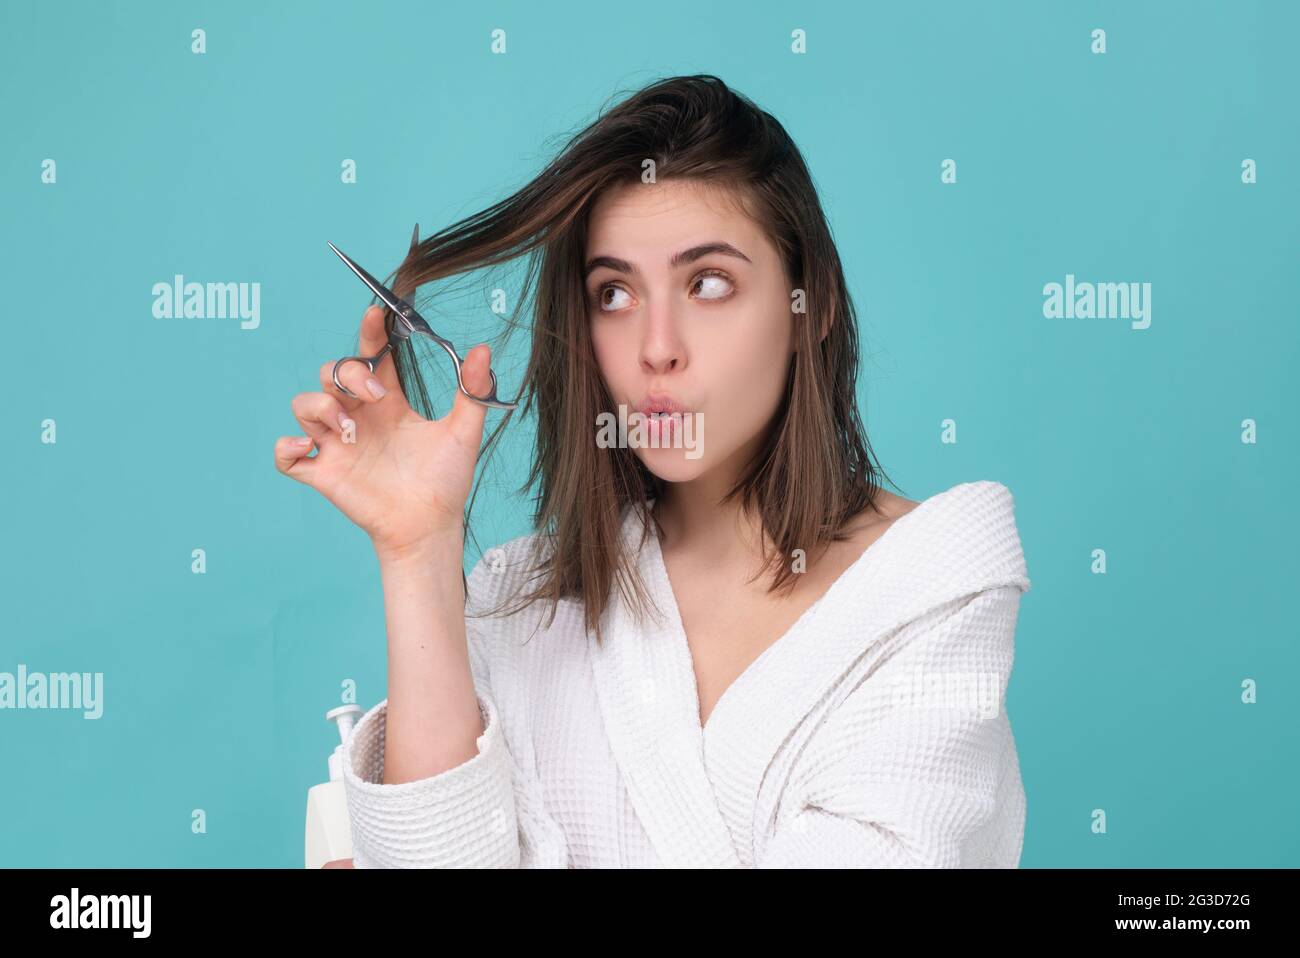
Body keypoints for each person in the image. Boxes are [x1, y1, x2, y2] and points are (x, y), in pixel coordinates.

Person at [275, 75, 1031, 868]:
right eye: (614, 293)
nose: (655, 346)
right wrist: (418, 549)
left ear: (817, 307)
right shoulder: (523, 605)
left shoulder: (930, 594)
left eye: (708, 284)